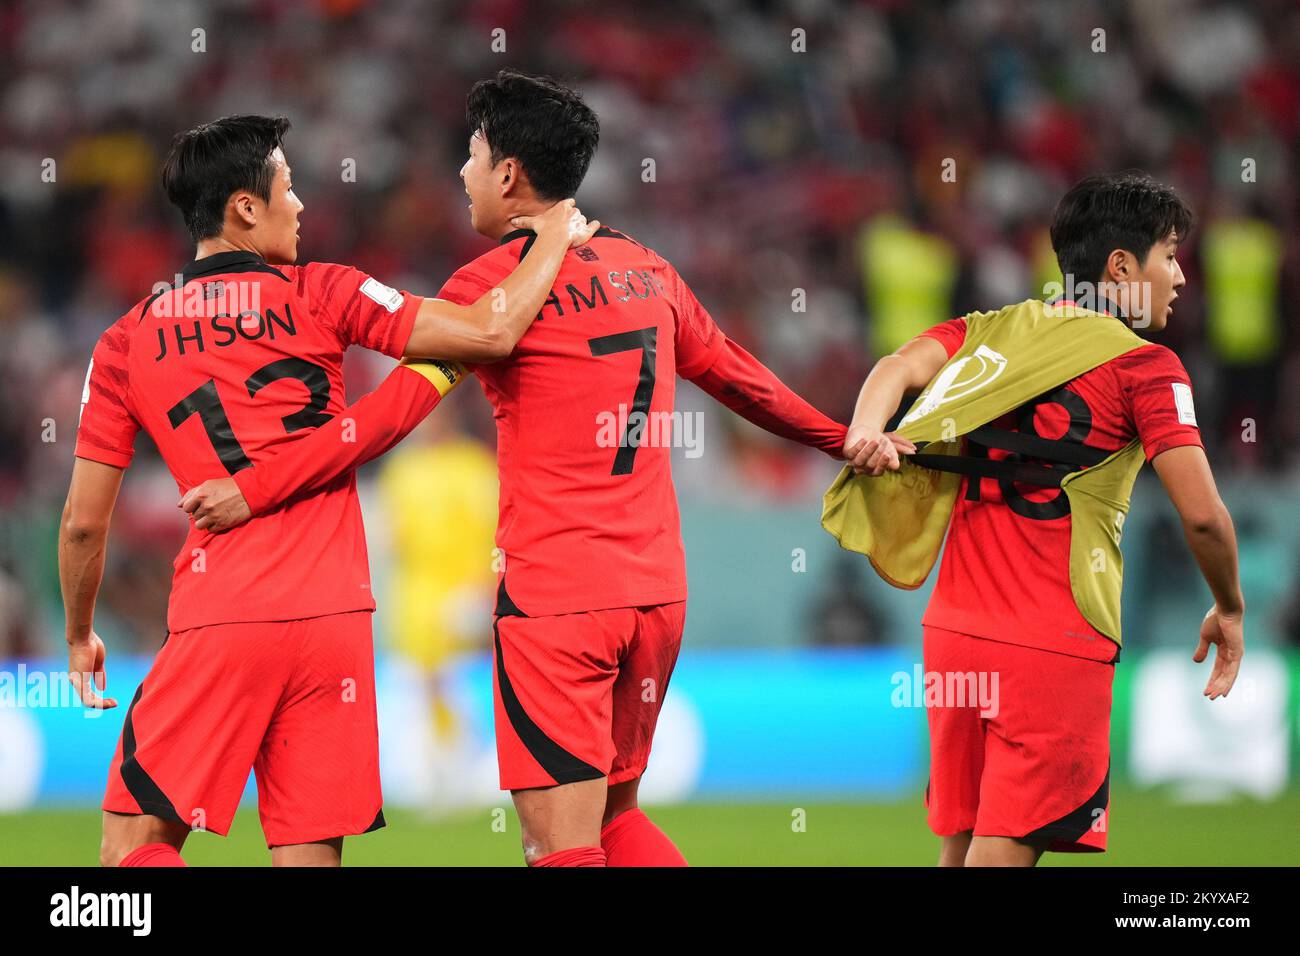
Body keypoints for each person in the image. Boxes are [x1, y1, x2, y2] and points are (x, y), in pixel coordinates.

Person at [180, 71, 850, 867]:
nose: (462, 175)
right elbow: (742, 378)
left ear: (508, 173)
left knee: (558, 848)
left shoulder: (488, 291)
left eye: (471, 155)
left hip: (558, 602)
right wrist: (844, 439)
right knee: (615, 820)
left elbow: (385, 417)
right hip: (657, 595)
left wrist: (253, 488)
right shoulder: (649, 270)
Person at [60, 113, 596, 867]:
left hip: (223, 614)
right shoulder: (326, 292)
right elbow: (487, 334)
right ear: (246, 207)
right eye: (289, 186)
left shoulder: (125, 339)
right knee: (308, 855)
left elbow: (85, 524)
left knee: (135, 846)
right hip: (336, 622)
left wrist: (81, 634)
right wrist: (550, 234)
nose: (303, 204)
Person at [830, 172, 1245, 866]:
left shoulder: (992, 331)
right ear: (1120, 267)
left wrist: (866, 432)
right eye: (1170, 255)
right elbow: (1202, 518)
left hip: (955, 637)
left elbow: (896, 366)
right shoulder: (1147, 368)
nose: (1179, 276)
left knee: (958, 850)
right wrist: (1229, 608)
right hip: (1053, 644)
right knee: (1003, 855)